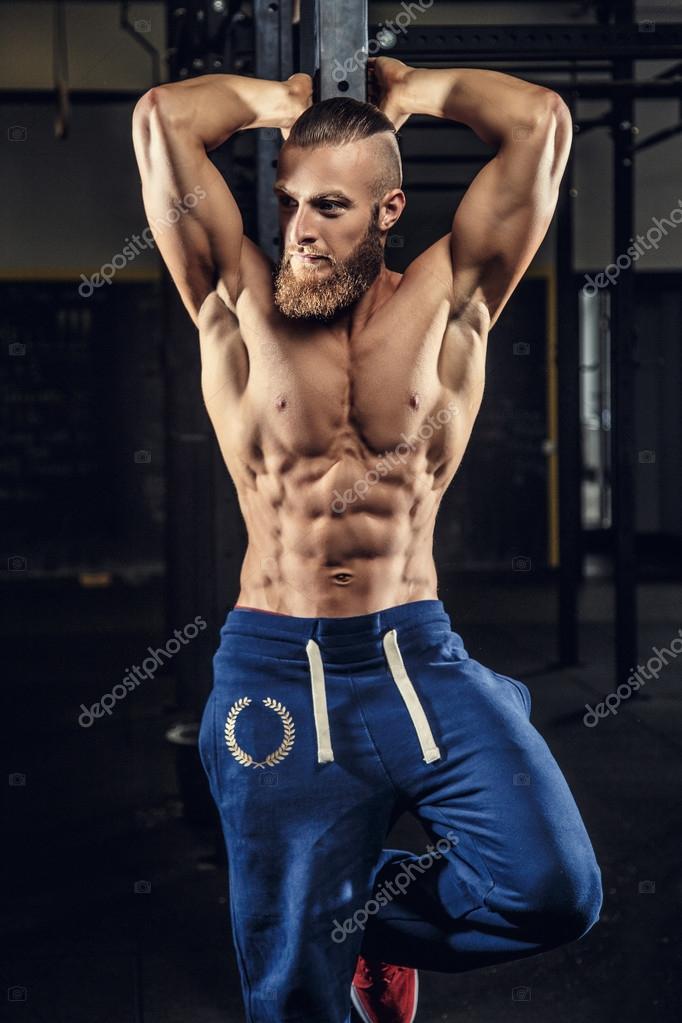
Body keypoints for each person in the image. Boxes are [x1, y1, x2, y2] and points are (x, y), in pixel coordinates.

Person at [132, 55, 602, 1023]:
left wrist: (413, 90)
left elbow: (544, 123)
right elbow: (161, 120)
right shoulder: (235, 300)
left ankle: (361, 917)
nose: (300, 230)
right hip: (274, 669)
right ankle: (318, 927)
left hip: (411, 655)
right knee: (295, 996)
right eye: (291, 202)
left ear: (389, 211)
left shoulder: (452, 301)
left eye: (332, 209)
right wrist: (285, 107)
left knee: (553, 891)